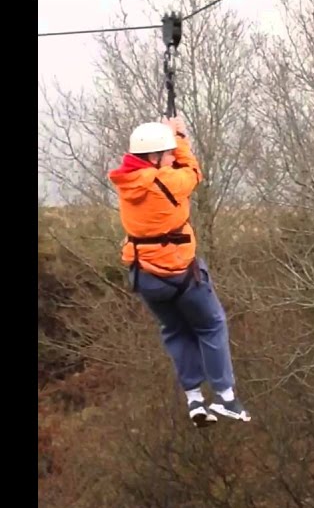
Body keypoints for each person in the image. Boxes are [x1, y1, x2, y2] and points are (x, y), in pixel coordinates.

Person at [107, 115, 250, 428]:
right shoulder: (166, 182)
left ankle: (194, 398)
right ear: (154, 157)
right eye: (167, 153)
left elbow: (163, 171)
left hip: (144, 275)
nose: (173, 157)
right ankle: (225, 397)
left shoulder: (128, 181)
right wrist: (180, 137)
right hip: (178, 271)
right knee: (211, 325)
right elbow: (194, 173)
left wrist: (165, 137)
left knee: (175, 330)